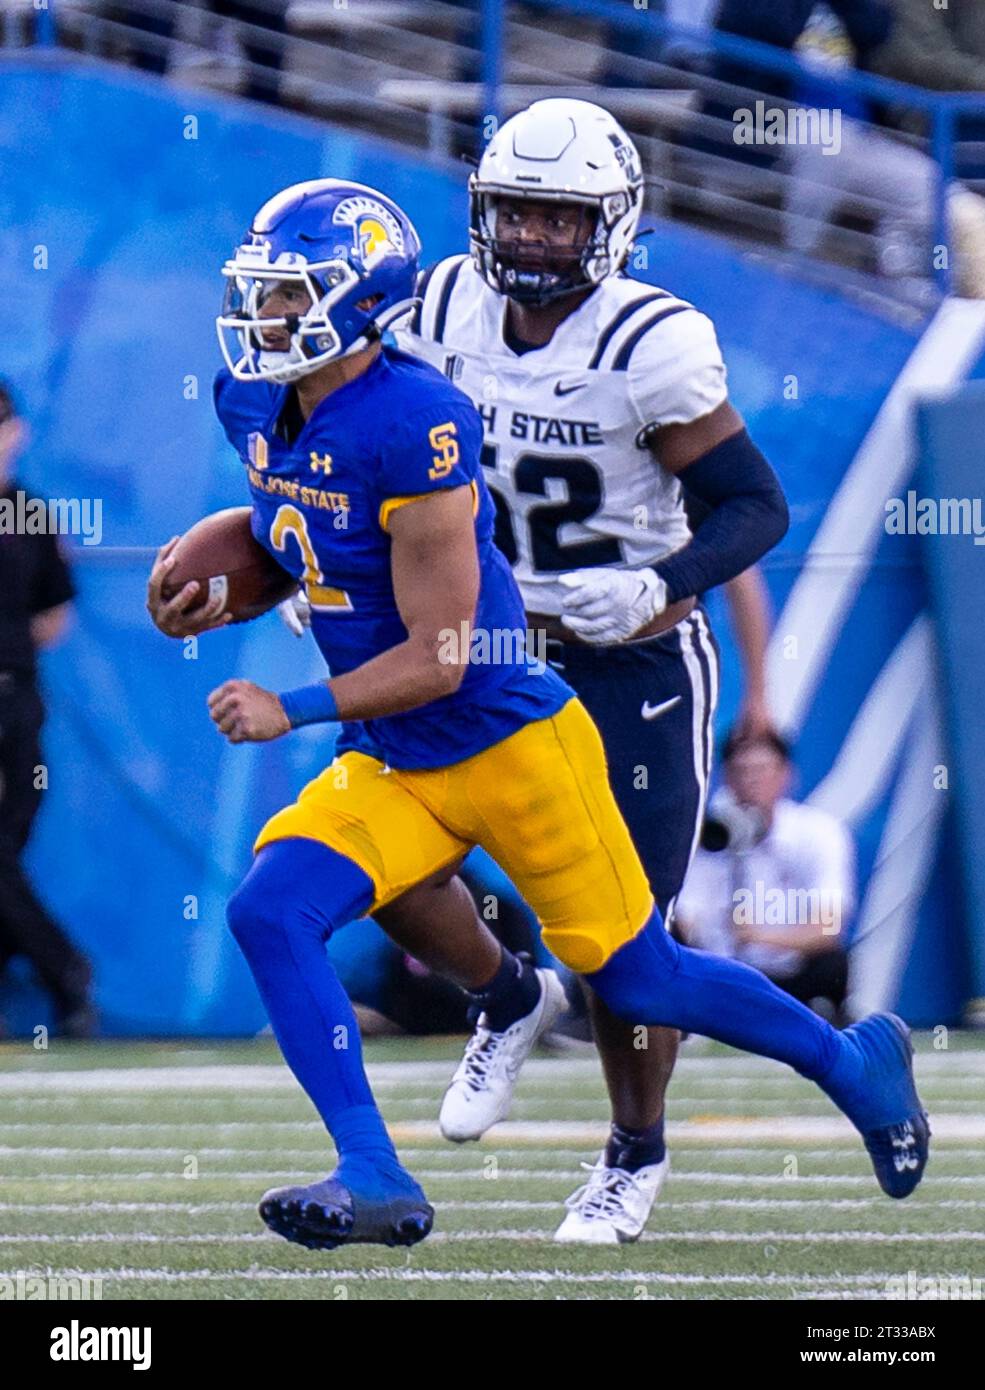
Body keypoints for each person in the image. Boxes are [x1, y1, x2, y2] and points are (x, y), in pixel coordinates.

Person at [147, 175, 927, 1252]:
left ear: (355, 299)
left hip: (506, 734)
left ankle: (853, 1060)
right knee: (269, 909)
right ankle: (376, 1167)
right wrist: (235, 574)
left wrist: (293, 706)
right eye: (261, 293)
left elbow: (443, 653)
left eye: (289, 296)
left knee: (638, 974)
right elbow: (302, 521)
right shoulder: (252, 400)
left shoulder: (417, 419)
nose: (264, 317)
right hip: (402, 755)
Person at [0, 381, 95, 1038]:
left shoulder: (28, 512)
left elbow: (52, 615)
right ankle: (62, 972)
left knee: (8, 843)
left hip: (12, 696)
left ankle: (57, 972)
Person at [677, 728, 854, 1024]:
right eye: (740, 771)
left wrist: (758, 936)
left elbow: (829, 927)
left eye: (761, 770)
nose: (751, 781)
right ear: (727, 779)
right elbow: (684, 918)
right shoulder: (707, 836)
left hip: (790, 972)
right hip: (720, 974)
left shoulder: (819, 833)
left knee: (833, 966)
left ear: (787, 776)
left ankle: (822, 1023)